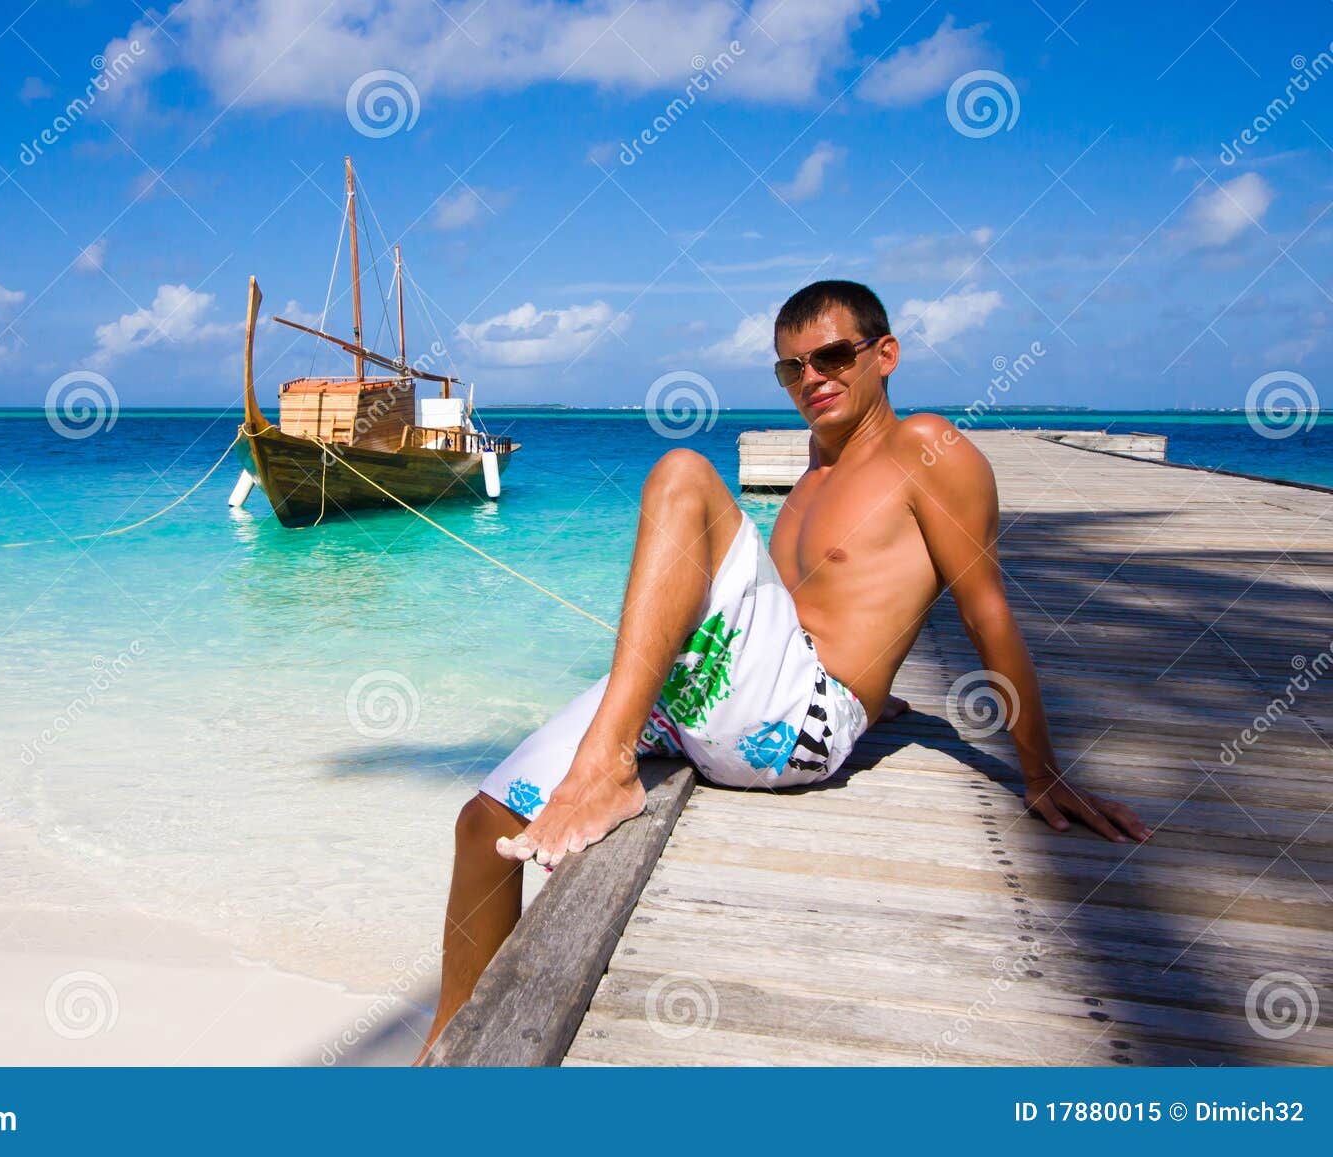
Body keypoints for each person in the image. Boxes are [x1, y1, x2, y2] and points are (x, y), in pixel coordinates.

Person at [416, 279, 1152, 1061]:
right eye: (790, 368)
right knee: (483, 823)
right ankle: (444, 1058)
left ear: (885, 355)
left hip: (798, 727)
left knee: (682, 475)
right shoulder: (810, 472)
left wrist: (1041, 772)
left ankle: (608, 764)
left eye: (832, 356)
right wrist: (884, 696)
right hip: (743, 693)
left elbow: (985, 612)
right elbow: (807, 613)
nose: (811, 379)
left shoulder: (927, 449)